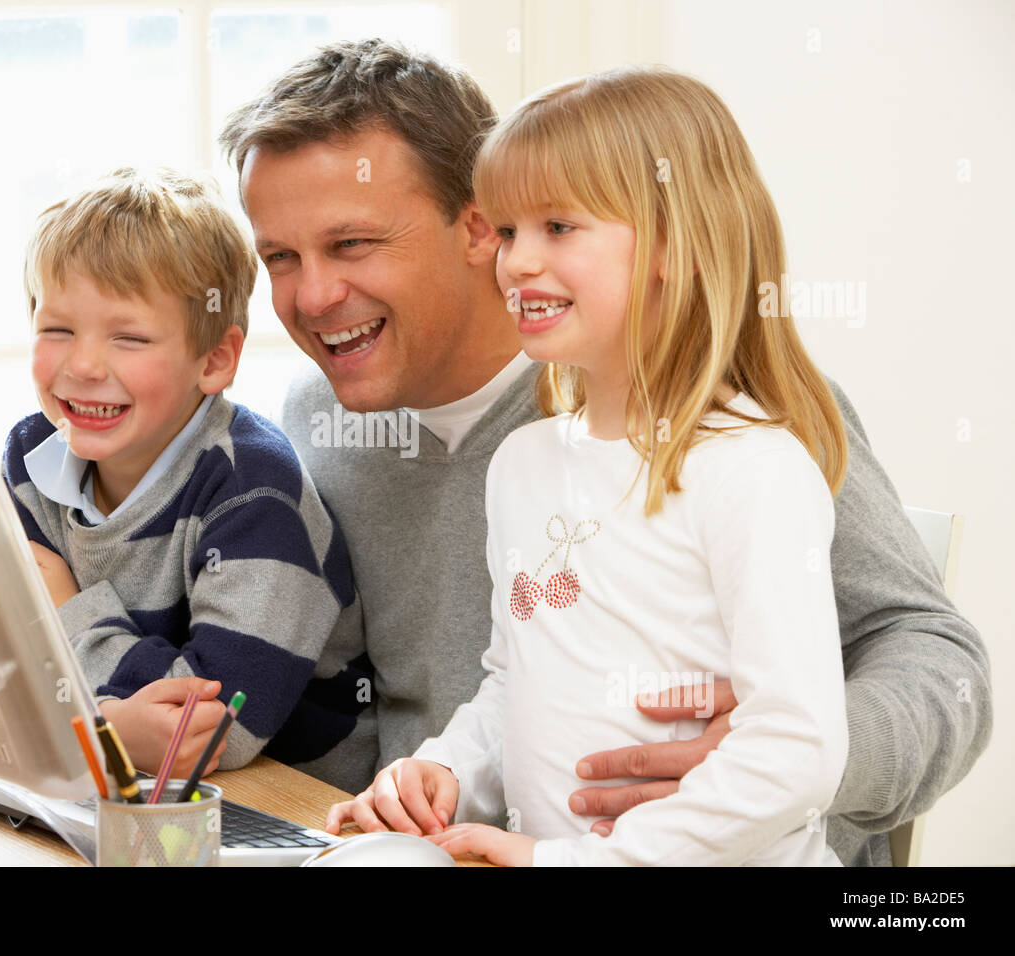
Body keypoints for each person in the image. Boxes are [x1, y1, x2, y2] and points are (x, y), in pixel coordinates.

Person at [219, 39, 991, 864]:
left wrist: (798, 753)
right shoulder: (318, 420)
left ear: (473, 226)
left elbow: (936, 662)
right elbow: (374, 693)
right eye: (280, 258)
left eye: (352, 244)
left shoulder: (748, 432)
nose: (309, 297)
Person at [334, 65, 857, 866]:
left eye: (559, 228)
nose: (515, 263)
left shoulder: (751, 468)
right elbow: (516, 680)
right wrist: (444, 767)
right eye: (508, 232)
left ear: (674, 245)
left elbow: (795, 750)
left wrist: (578, 861)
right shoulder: (524, 463)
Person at [0, 167, 372, 782]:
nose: (84, 364)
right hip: (128, 785)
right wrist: (108, 730)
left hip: (292, 809)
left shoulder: (253, 490)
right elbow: (6, 662)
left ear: (215, 360)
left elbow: (216, 731)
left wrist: (68, 613)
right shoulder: (31, 454)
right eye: (57, 329)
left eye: (129, 338)